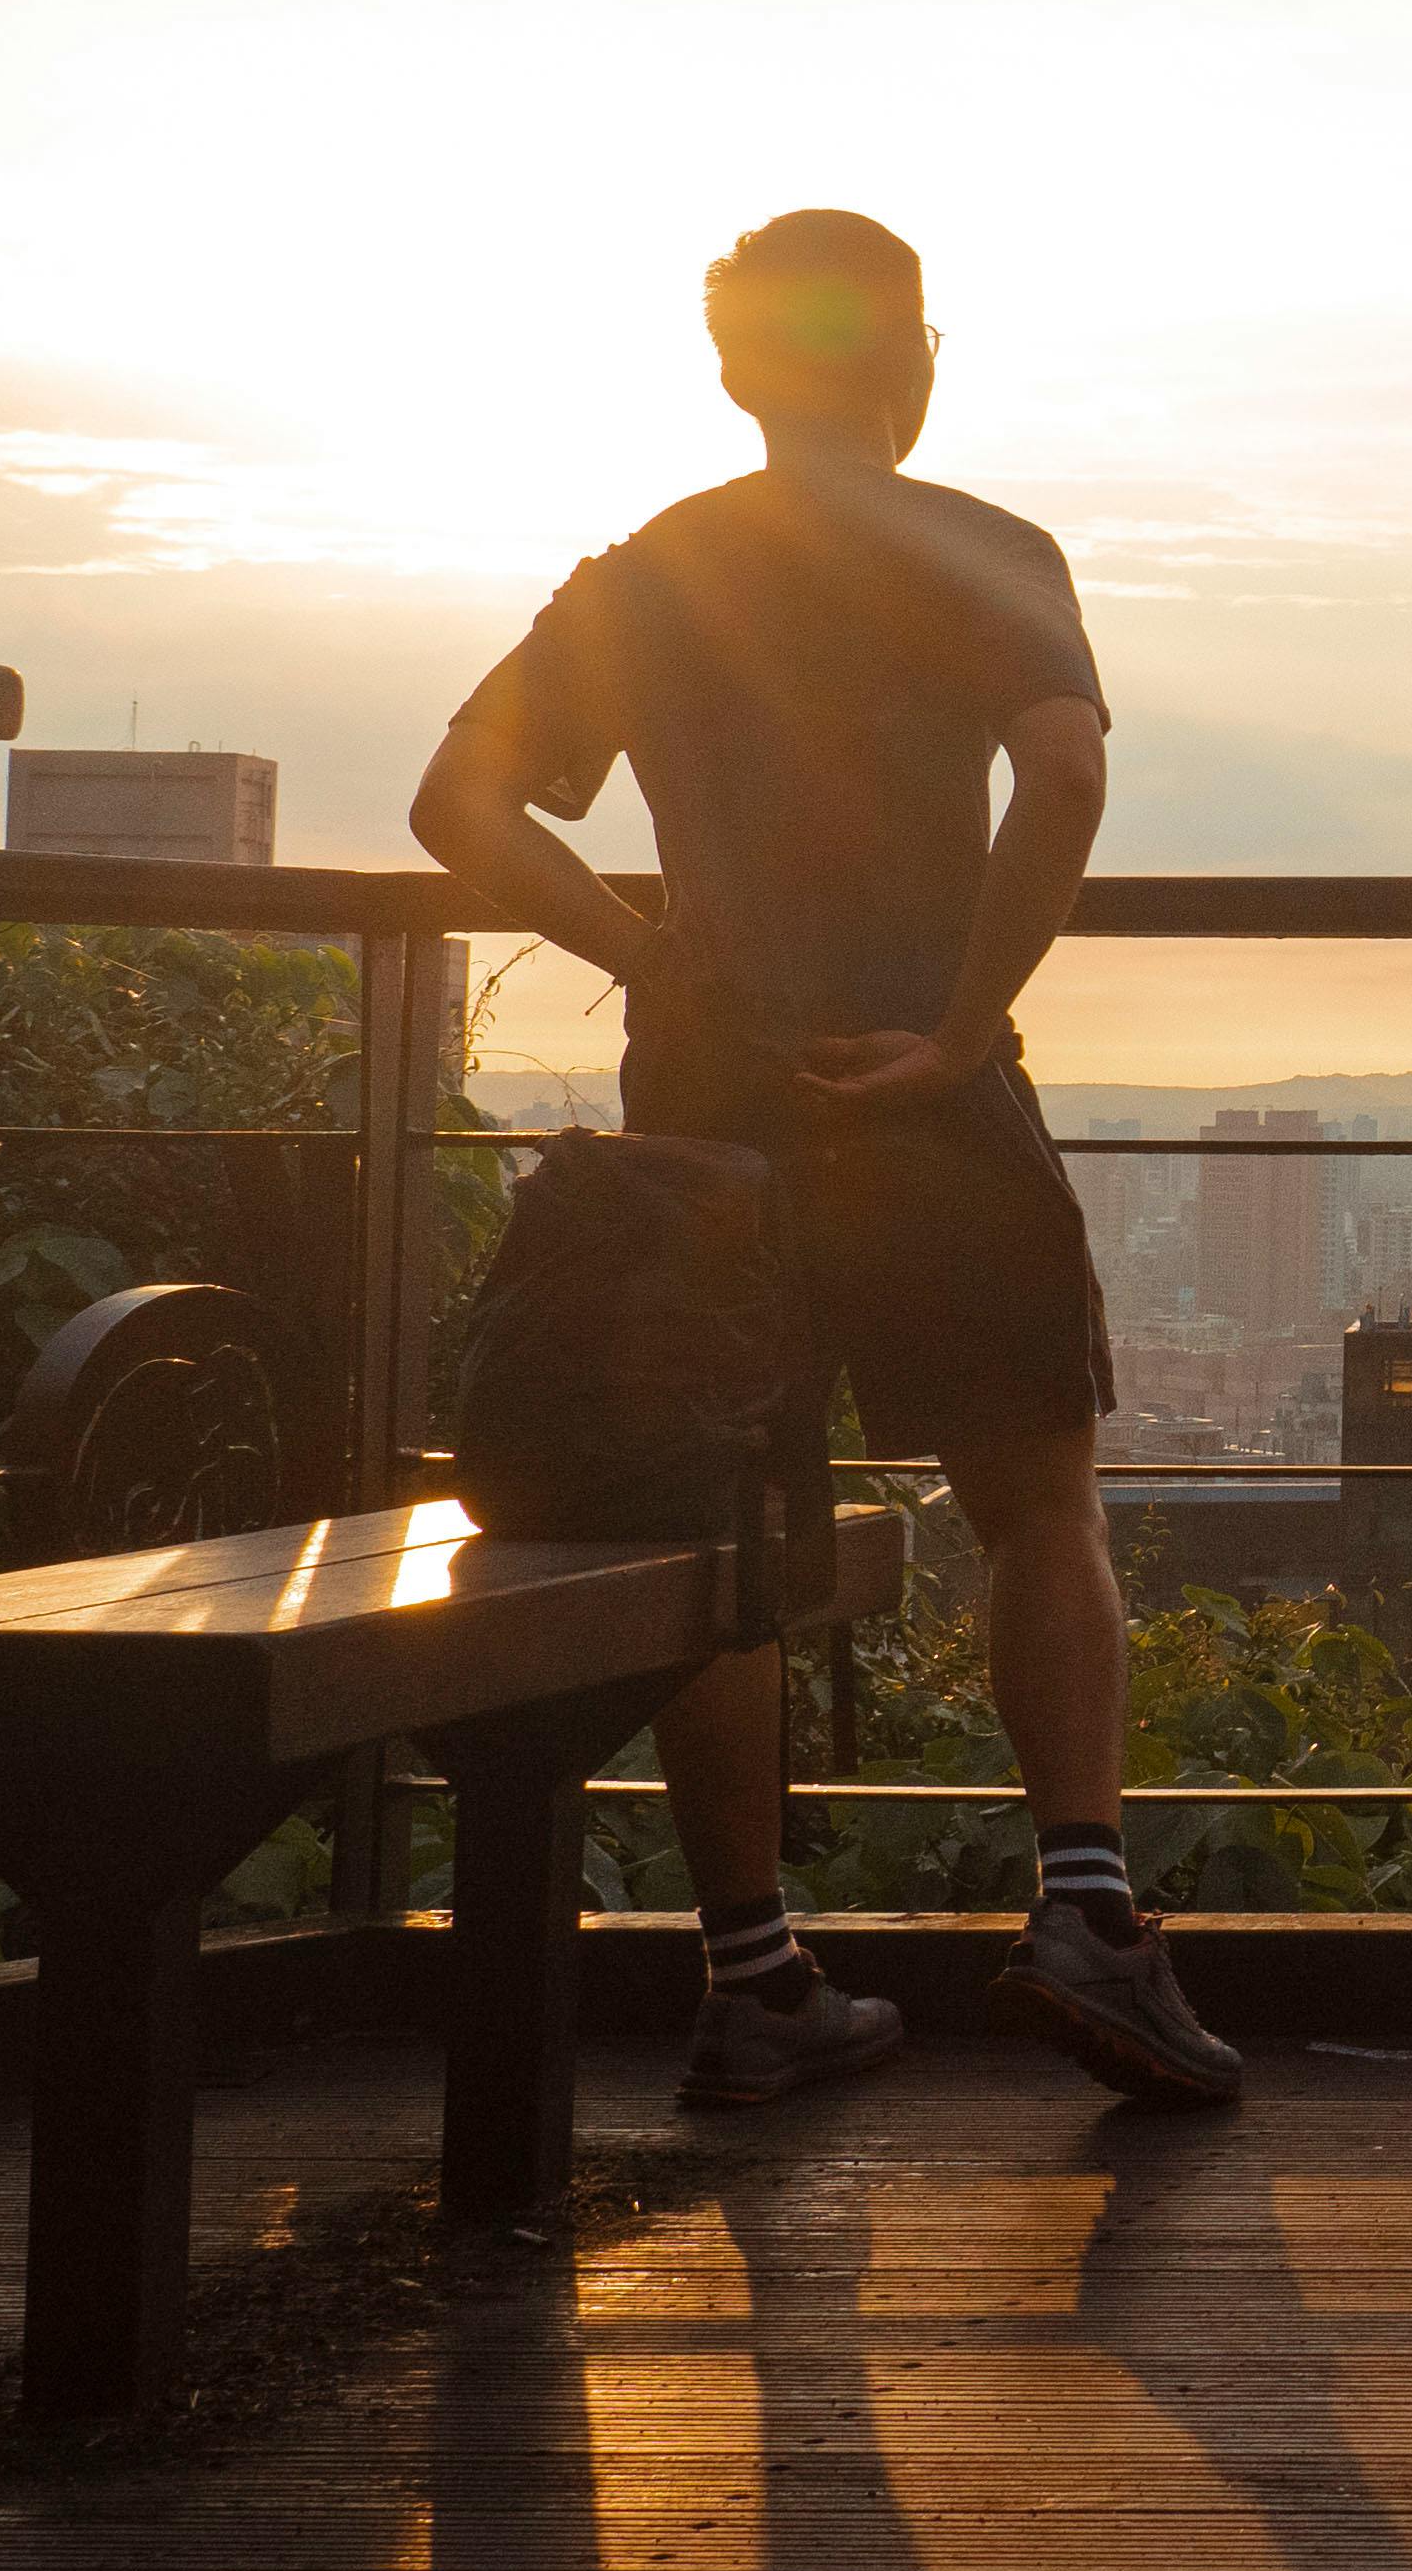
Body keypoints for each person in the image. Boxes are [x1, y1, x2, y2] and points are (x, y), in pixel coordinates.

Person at [414, 207, 1243, 2118]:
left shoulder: (651, 572)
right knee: (1038, 1502)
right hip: (921, 1095)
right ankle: (1085, 1913)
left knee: (725, 1546)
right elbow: (1068, 772)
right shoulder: (981, 549)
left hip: (709, 1107)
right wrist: (959, 1023)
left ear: (732, 371)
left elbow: (454, 802)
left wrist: (642, 944)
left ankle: (757, 1975)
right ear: (918, 360)